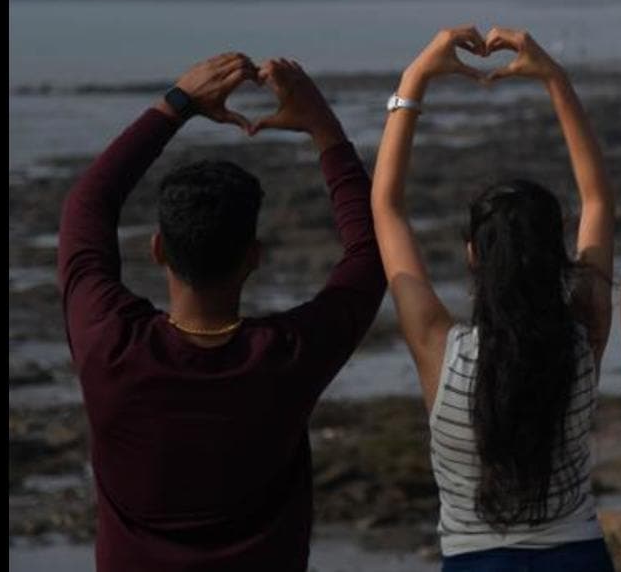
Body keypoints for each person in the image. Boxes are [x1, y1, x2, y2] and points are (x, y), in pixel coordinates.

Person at [58, 53, 387, 571]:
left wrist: (175, 105)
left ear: (158, 249)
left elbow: (86, 205)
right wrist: (323, 127)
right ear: (254, 258)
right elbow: (371, 254)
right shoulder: (288, 358)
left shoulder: (109, 345)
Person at [370, 26, 617, 571]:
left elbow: (385, 207)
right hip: (577, 559)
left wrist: (415, 78)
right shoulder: (582, 339)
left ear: (472, 256)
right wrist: (555, 79)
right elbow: (597, 198)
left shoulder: (440, 349)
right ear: (558, 255)